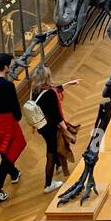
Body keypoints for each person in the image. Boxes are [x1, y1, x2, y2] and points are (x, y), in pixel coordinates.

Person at [31, 65, 80, 193]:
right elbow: (57, 116)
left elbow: (55, 89)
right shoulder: (49, 94)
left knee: (54, 146)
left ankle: (58, 165)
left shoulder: (35, 89)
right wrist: (66, 129)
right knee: (51, 153)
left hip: (41, 126)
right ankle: (48, 184)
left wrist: (69, 83)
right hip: (51, 127)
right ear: (47, 77)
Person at [0, 53, 24, 203]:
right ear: (6, 66)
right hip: (7, 121)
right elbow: (14, 104)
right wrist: (18, 117)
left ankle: (13, 173)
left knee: (1, 147)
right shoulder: (8, 85)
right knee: (12, 149)